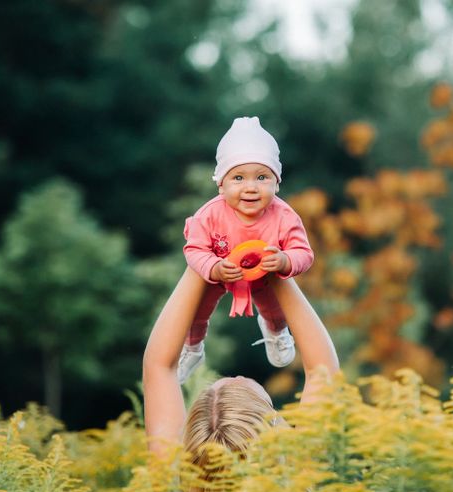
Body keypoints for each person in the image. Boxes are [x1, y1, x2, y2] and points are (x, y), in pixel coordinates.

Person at [142, 268, 339, 461]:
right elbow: (321, 367)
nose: (238, 376)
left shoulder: (303, 467)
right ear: (273, 427)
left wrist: (201, 262)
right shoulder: (306, 468)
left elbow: (159, 365)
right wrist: (274, 270)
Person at [177, 116, 314, 383]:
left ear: (277, 183)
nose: (250, 187)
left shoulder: (284, 216)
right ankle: (192, 349)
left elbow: (304, 252)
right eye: (238, 178)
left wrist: (285, 260)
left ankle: (276, 331)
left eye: (262, 177)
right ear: (221, 184)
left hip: (264, 275)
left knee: (276, 309)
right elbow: (194, 249)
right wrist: (213, 267)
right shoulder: (209, 214)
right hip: (219, 270)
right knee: (195, 312)